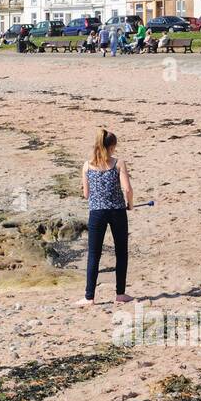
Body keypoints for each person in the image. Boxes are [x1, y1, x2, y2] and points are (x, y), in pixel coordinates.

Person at [77, 127, 134, 306]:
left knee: (94, 254)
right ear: (111, 147)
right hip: (117, 212)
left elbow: (86, 195)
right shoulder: (118, 164)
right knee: (121, 252)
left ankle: (89, 297)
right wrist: (130, 204)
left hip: (96, 213)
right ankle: (120, 294)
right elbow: (127, 189)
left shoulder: (87, 165)